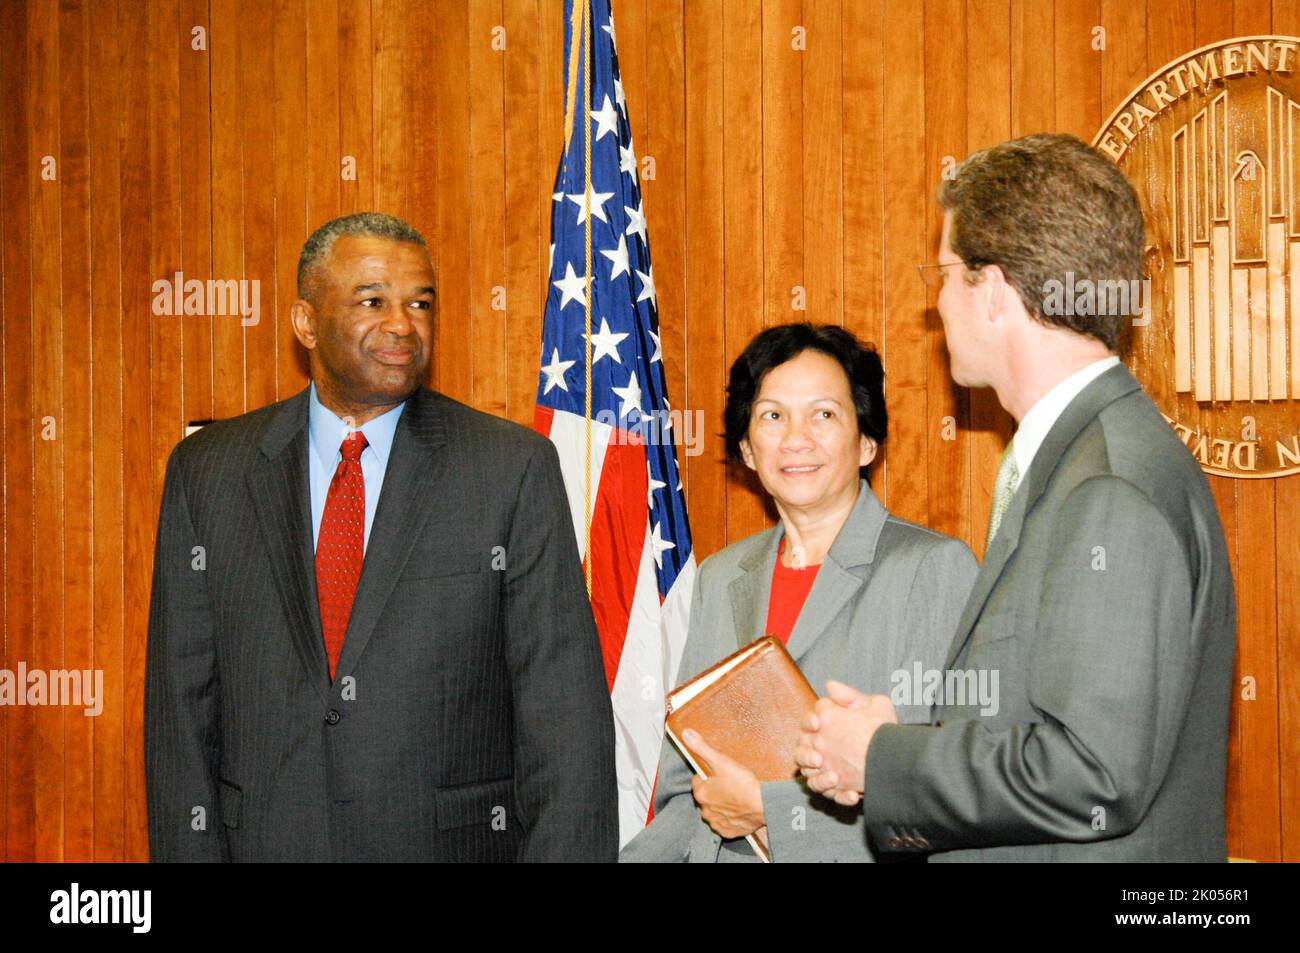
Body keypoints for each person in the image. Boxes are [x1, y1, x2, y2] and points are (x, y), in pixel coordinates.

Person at [796, 133, 1237, 861]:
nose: (936, 305)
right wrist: (899, 738)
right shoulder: (1087, 457)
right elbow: (1043, 716)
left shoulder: (1109, 487)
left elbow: (1092, 772)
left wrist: (884, 759)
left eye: (943, 274)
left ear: (993, 289)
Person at [145, 212, 617, 862]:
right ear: (305, 321)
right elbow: (181, 716)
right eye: (373, 300)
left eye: (420, 302)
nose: (402, 323)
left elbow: (566, 728)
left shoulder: (510, 468)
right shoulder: (209, 472)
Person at [620, 323, 977, 863]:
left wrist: (771, 809)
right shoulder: (721, 577)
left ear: (867, 442)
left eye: (824, 414)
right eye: (772, 415)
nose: (796, 438)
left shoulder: (932, 569)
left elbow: (947, 791)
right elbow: (684, 787)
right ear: (746, 447)